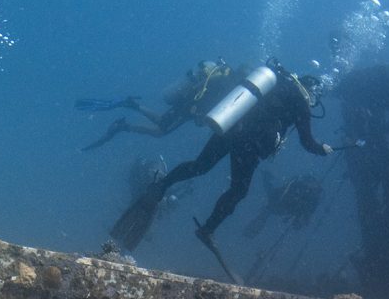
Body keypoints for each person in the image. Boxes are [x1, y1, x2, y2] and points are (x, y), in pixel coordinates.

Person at [109, 62, 333, 278]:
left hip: (231, 128)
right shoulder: (300, 102)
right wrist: (322, 148)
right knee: (238, 191)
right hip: (250, 146)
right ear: (310, 92)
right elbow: (307, 142)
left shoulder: (277, 83)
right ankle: (208, 230)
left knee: (199, 166)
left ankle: (160, 186)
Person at [80, 60, 234, 151]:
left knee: (161, 122)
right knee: (160, 131)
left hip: (190, 101)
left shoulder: (223, 78)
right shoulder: (225, 84)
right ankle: (124, 124)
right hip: (191, 104)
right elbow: (207, 102)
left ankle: (131, 107)